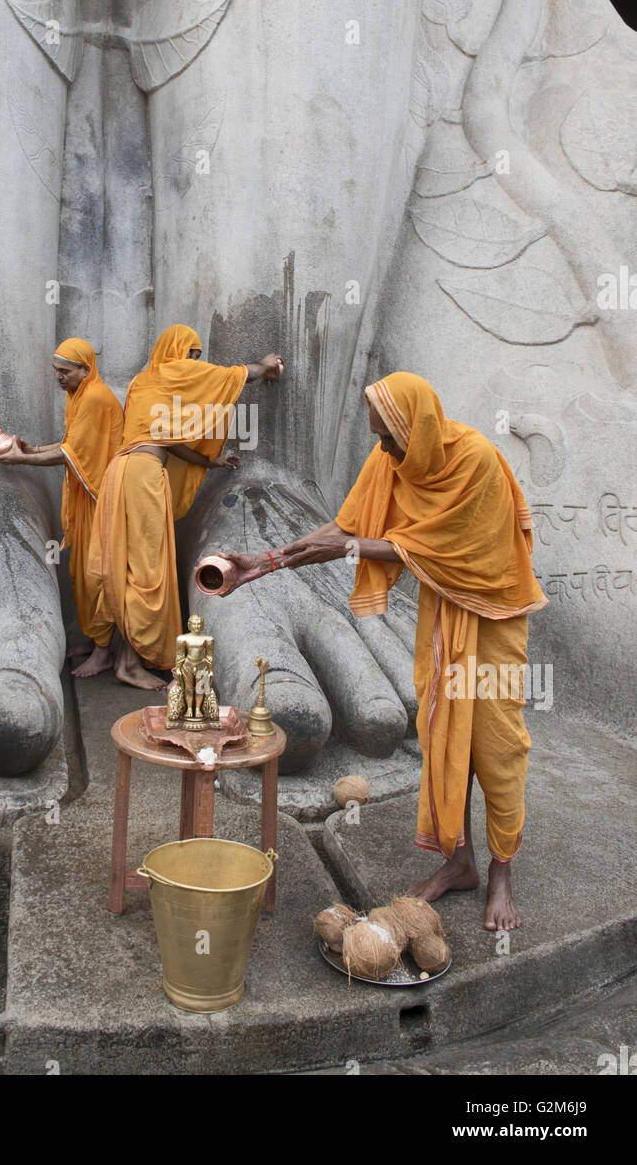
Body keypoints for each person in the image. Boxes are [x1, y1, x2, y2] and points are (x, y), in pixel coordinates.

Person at [222, 372, 546, 932]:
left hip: (493, 619)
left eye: (390, 439)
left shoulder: (477, 463)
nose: (384, 449)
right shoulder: (393, 460)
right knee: (446, 736)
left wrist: (353, 546)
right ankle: (460, 862)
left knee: (496, 747)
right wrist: (267, 561)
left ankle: (501, 874)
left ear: (415, 429)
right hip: (444, 616)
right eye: (378, 438)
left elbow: (456, 553)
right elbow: (348, 529)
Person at [88, 323, 284, 689]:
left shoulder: (142, 382)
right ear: (176, 352)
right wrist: (265, 363)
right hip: (144, 476)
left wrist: (208, 462)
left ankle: (118, 654)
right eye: (191, 352)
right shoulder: (179, 371)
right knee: (147, 570)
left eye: (196, 355)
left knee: (124, 562)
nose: (195, 361)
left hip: (121, 471)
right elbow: (237, 376)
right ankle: (129, 663)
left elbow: (165, 438)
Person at [0, 339, 123, 678]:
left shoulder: (94, 397)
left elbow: (71, 456)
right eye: (56, 371)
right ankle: (95, 641)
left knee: (97, 574)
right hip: (88, 499)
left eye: (65, 372)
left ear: (86, 370)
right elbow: (71, 445)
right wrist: (33, 449)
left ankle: (105, 652)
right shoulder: (77, 395)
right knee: (80, 570)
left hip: (101, 497)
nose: (59, 377)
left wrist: (24, 459)